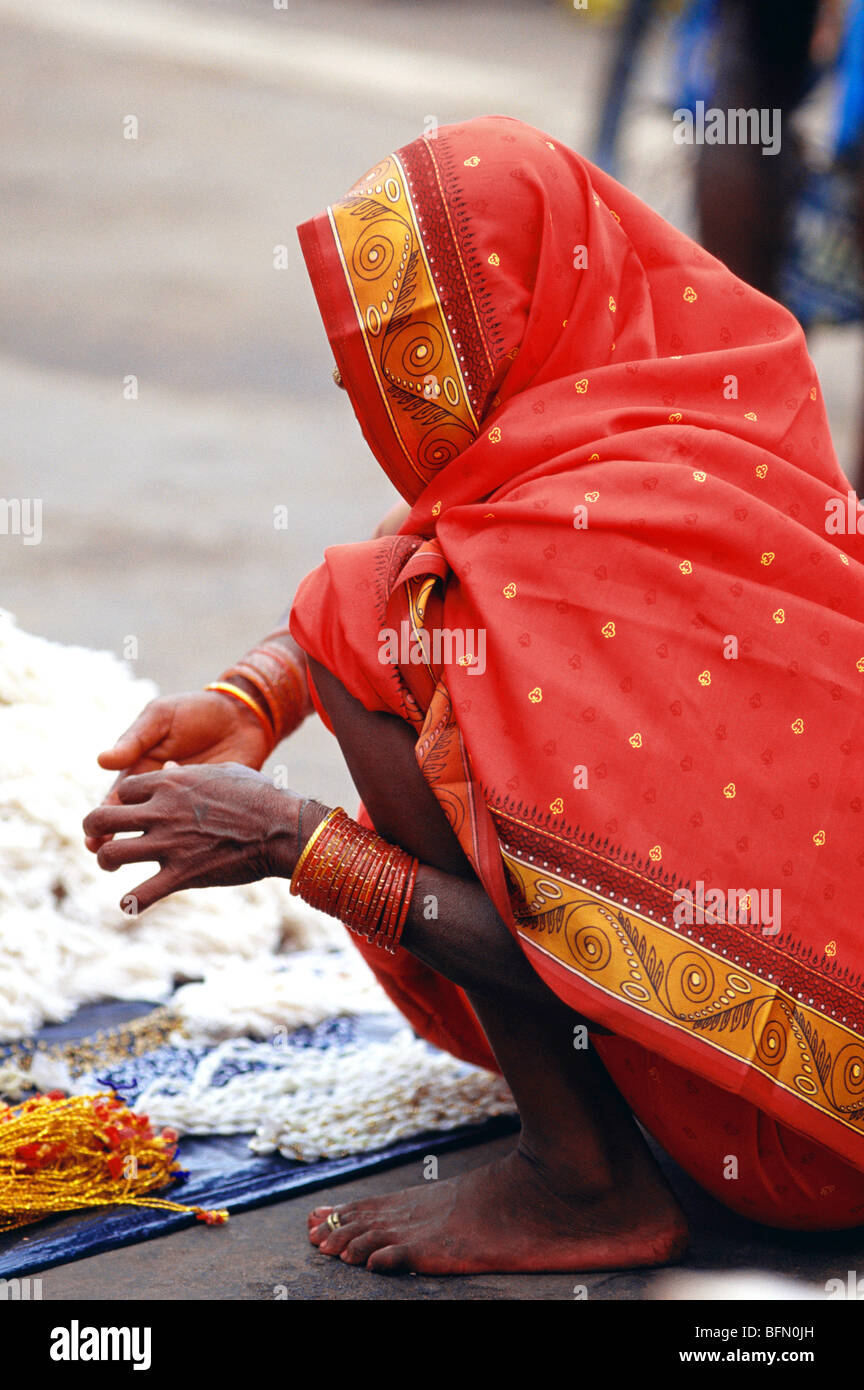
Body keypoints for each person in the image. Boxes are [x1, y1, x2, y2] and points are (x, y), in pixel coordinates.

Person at [83, 116, 864, 1276]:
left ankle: (579, 1180)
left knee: (361, 608)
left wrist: (293, 841)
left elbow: (582, 944)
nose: (380, 388)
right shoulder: (705, 404)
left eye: (409, 347)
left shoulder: (531, 556)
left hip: (800, 1147)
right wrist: (260, 694)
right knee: (364, 612)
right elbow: (457, 556)